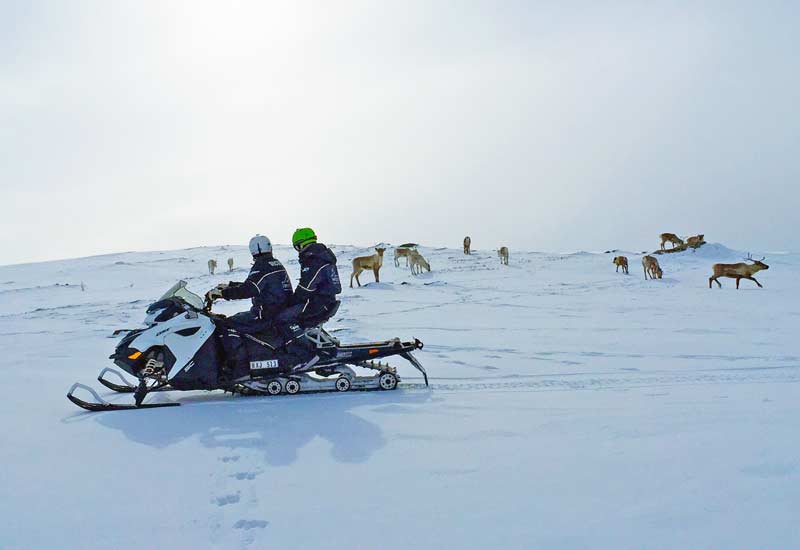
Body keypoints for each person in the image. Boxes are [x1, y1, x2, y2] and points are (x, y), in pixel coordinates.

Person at [276, 228, 342, 369]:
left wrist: (292, 301)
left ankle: (305, 356)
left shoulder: (314, 260)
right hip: (324, 301)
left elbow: (307, 286)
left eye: (297, 247)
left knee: (283, 319)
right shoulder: (321, 257)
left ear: (301, 244)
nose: (298, 251)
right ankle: (320, 343)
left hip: (317, 303)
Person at [206, 234, 293, 335]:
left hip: (265, 316)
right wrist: (230, 286)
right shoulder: (275, 264)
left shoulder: (262, 266)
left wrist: (222, 294)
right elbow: (259, 285)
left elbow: (249, 290)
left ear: (253, 250)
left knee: (225, 324)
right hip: (279, 311)